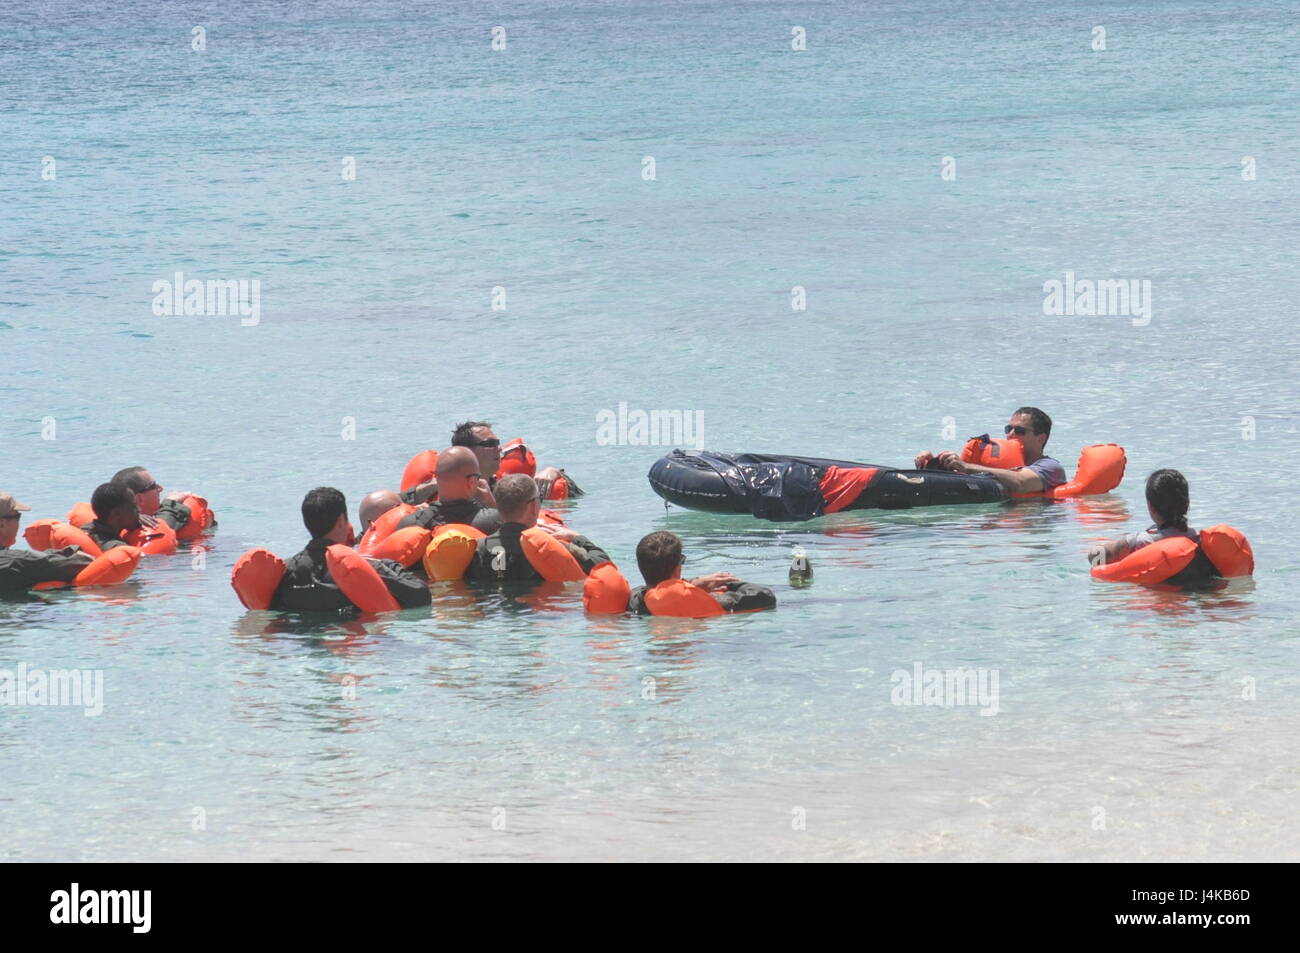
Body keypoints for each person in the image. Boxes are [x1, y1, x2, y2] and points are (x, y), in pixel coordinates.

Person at [272, 487, 429, 611]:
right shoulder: (365, 567)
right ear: (341, 521)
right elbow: (420, 595)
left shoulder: (287, 573)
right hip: (356, 640)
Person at [464, 474, 607, 584]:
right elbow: (603, 566)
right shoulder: (552, 548)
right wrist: (576, 537)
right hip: (538, 615)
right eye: (540, 499)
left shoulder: (477, 549)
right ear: (533, 506)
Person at [1087, 469, 1218, 582]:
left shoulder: (1141, 540)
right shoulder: (1199, 541)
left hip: (1156, 600)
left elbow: (1095, 557)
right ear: (1187, 503)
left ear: (1151, 507)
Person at [914, 406, 1066, 494]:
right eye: (1008, 428)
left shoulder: (1051, 467)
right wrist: (933, 464)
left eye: (1019, 430)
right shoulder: (990, 464)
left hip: (1025, 525)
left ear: (1040, 438)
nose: (1010, 434)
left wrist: (967, 467)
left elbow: (1021, 482)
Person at [627, 531, 776, 615]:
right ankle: (800, 563)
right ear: (678, 567)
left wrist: (691, 585)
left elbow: (643, 591)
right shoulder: (717, 602)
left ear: (640, 566)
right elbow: (765, 596)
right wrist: (729, 583)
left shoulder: (635, 603)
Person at [0, 491, 93, 590]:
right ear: (1, 523)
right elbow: (78, 563)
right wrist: (81, 547)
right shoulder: (17, 562)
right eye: (17, 517)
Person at [396, 447, 501, 534]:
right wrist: (491, 504)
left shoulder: (409, 523)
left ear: (436, 478)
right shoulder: (493, 521)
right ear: (472, 481)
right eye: (478, 477)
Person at [111, 466, 204, 533]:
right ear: (140, 498)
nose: (160, 488)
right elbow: (159, 531)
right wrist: (170, 503)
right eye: (154, 486)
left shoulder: (113, 518)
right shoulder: (124, 529)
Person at [83, 483, 142, 552]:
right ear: (117, 513)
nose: (139, 510)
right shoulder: (117, 549)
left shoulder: (87, 529)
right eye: (133, 506)